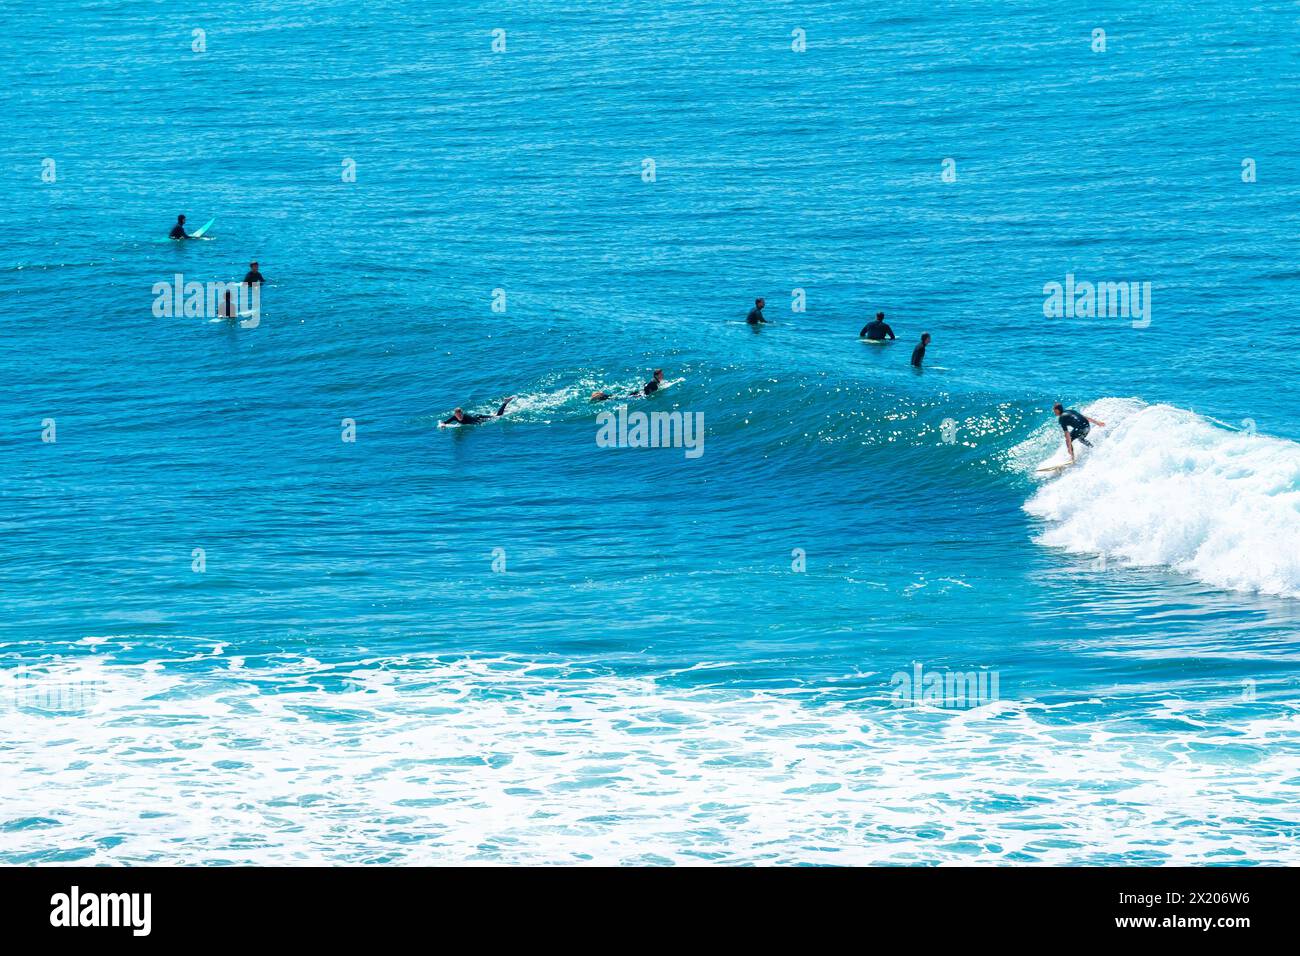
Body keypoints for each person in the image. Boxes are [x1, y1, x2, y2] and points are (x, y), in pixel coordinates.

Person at [443, 396, 516, 425]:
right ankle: (505, 407)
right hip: (476, 416)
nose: (460, 416)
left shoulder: (466, 417)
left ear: (462, 413)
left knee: (498, 416)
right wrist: (443, 425)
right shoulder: (454, 417)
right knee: (495, 415)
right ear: (455, 415)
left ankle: (505, 402)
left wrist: (482, 424)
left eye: (461, 414)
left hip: (479, 418)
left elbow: (476, 422)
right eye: (458, 415)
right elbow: (445, 422)